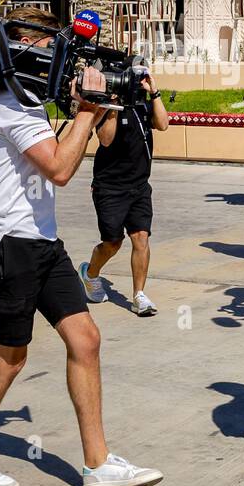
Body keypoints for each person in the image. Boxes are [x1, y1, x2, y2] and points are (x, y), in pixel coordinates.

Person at [0, 6, 162, 486]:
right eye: (46, 48)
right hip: (9, 243)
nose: (55, 57)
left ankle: (98, 464)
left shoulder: (30, 101)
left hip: (41, 239)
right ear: (20, 50)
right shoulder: (7, 104)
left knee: (85, 339)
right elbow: (61, 169)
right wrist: (88, 108)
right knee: (10, 358)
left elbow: (69, 149)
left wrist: (95, 109)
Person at [78, 59, 170, 317]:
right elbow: (106, 140)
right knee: (112, 242)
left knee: (141, 237)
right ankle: (90, 273)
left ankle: (139, 295)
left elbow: (163, 124)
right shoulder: (107, 106)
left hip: (140, 185)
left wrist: (155, 92)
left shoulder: (143, 103)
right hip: (110, 187)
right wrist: (115, 105)